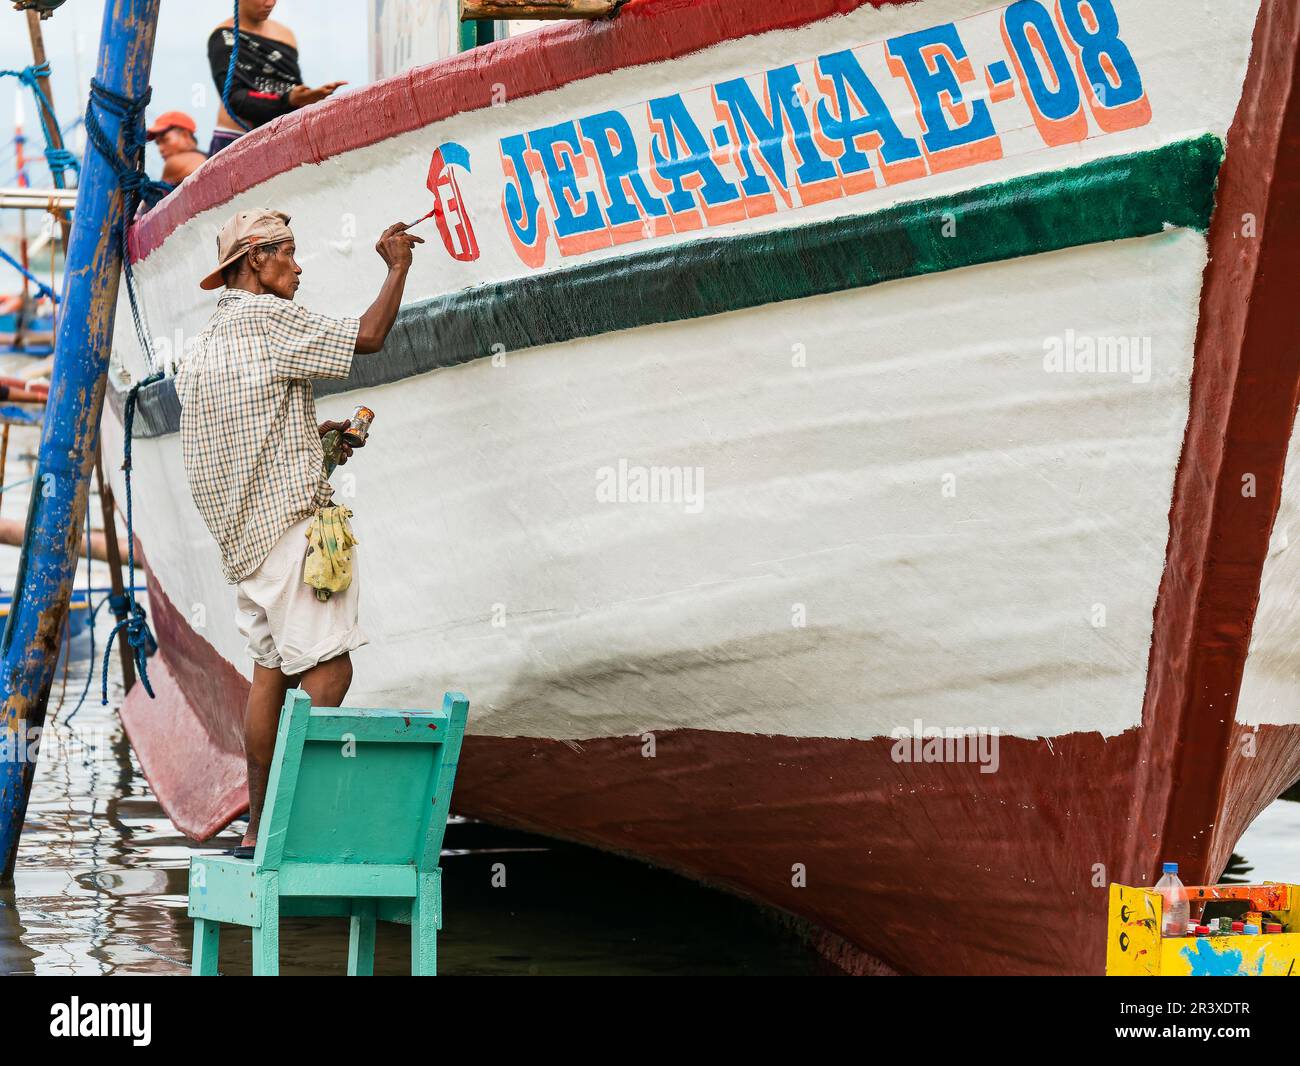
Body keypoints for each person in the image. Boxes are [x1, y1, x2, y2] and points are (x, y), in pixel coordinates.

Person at [176, 209, 422, 855]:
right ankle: (292, 821)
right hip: (290, 533)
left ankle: (258, 828)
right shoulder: (268, 319)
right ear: (256, 259)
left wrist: (319, 446)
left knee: (269, 674)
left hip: (244, 544)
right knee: (328, 672)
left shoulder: (205, 345)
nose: (299, 265)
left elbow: (242, 439)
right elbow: (368, 338)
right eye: (289, 253)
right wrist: (396, 265)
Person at [207, 0, 346, 156]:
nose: (270, 3)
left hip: (281, 137)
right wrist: (290, 99)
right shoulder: (224, 37)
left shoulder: (285, 35)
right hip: (235, 140)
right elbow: (236, 99)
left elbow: (291, 86)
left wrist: (309, 97)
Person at [145, 111, 207, 185]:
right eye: (158, 143)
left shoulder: (174, 163)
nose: (160, 149)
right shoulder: (206, 157)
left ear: (185, 136)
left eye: (165, 140)